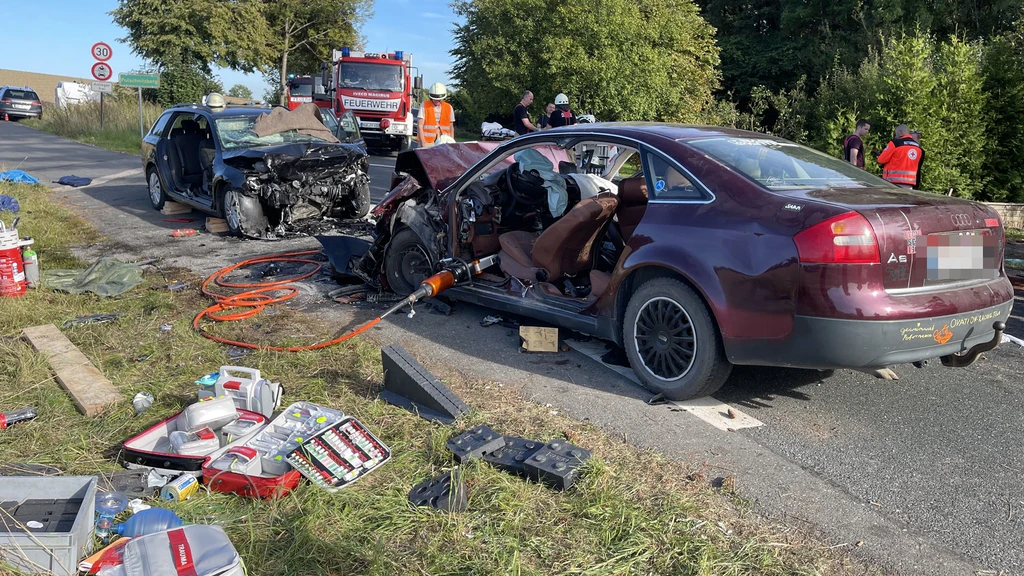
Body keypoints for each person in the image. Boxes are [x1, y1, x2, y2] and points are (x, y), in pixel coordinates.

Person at [876, 124, 924, 189]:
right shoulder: (918, 148)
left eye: (896, 134)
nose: (895, 136)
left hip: (893, 182)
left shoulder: (895, 143)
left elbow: (881, 160)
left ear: (900, 132)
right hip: (909, 184)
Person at [418, 82, 454, 147]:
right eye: (436, 99)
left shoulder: (448, 107)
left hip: (444, 141)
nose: (438, 101)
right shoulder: (424, 105)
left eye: (440, 99)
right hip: (427, 142)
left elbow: (451, 127)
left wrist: (452, 142)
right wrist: (423, 143)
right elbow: (420, 126)